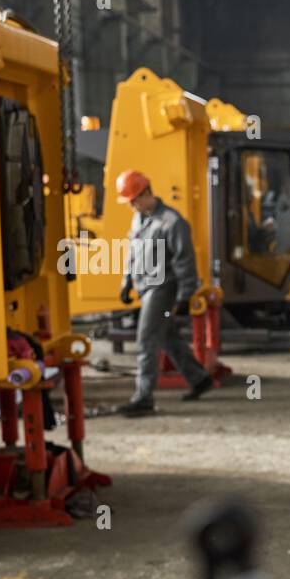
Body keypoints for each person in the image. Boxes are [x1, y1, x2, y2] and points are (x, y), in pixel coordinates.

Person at [115, 170, 214, 417]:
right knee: (167, 337)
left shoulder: (172, 222)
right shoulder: (139, 220)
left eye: (134, 201)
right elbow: (133, 253)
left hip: (162, 289)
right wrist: (126, 282)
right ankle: (199, 378)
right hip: (144, 286)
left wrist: (185, 295)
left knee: (147, 340)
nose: (131, 206)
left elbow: (185, 262)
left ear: (147, 193)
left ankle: (143, 397)